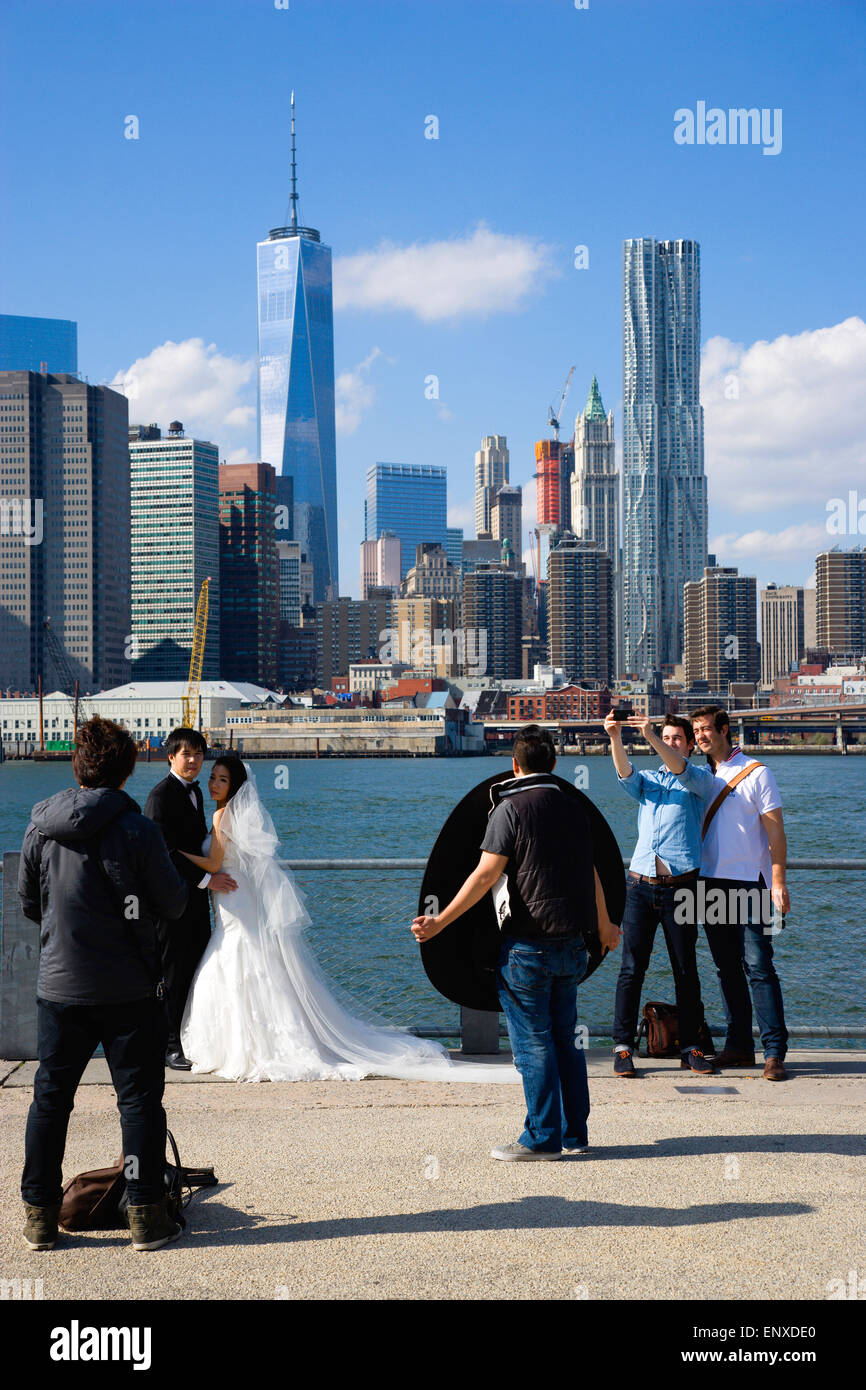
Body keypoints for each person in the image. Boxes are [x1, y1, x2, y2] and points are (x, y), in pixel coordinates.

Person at [177, 756, 469, 1082]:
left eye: (222, 780)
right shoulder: (238, 815)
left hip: (232, 895)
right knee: (249, 956)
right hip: (237, 894)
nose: (214, 784)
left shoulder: (221, 815)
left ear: (235, 787)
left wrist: (175, 852)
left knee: (235, 955)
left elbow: (214, 860)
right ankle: (262, 1038)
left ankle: (242, 1045)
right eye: (213, 778)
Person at [18, 716, 189, 1253]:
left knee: (50, 1098)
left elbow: (29, 903)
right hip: (129, 990)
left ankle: (40, 1217)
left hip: (60, 986)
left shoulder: (40, 825)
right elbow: (175, 903)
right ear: (127, 768)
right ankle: (144, 1216)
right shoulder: (138, 830)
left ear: (77, 765)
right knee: (138, 1101)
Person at [412, 725, 621, 1160]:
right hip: (573, 946)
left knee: (534, 1044)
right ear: (555, 764)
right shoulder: (573, 806)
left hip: (528, 948)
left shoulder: (509, 809)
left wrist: (440, 922)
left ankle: (541, 1138)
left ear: (514, 764)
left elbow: (486, 875)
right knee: (565, 1039)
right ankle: (573, 1132)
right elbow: (594, 873)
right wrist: (605, 925)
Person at [677, 707, 790, 1082]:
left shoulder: (758, 772)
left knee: (759, 967)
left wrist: (778, 880)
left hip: (751, 881)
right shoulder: (697, 777)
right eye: (696, 731)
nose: (701, 736)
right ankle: (740, 1046)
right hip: (709, 882)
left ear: (725, 730)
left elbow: (775, 832)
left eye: (706, 729)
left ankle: (774, 1052)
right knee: (726, 969)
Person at [604, 711, 716, 1078]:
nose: (669, 743)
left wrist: (651, 735)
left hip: (682, 886)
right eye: (665, 737)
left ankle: (691, 1046)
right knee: (631, 969)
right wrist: (616, 737)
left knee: (685, 969)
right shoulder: (649, 780)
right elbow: (625, 775)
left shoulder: (699, 779)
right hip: (639, 885)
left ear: (687, 744)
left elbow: (681, 770)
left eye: (675, 738)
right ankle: (623, 1047)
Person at [144, 728, 237, 1071]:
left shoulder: (196, 794)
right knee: (173, 973)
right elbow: (161, 852)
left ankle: (190, 1037)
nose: (194, 761)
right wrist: (207, 879)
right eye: (187, 754)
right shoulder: (160, 796)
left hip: (195, 901)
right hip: (171, 902)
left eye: (199, 754)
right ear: (171, 756)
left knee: (197, 968)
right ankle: (169, 1046)